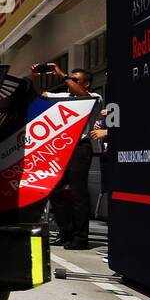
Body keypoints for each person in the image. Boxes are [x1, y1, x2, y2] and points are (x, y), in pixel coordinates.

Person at [30, 64, 103, 250]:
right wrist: (35, 76)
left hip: (79, 148)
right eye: (70, 78)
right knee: (55, 191)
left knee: (78, 194)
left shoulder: (94, 97)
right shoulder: (65, 96)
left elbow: (83, 96)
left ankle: (80, 238)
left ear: (86, 84)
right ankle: (66, 232)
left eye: (75, 79)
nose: (69, 81)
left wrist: (62, 75)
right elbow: (42, 95)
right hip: (60, 148)